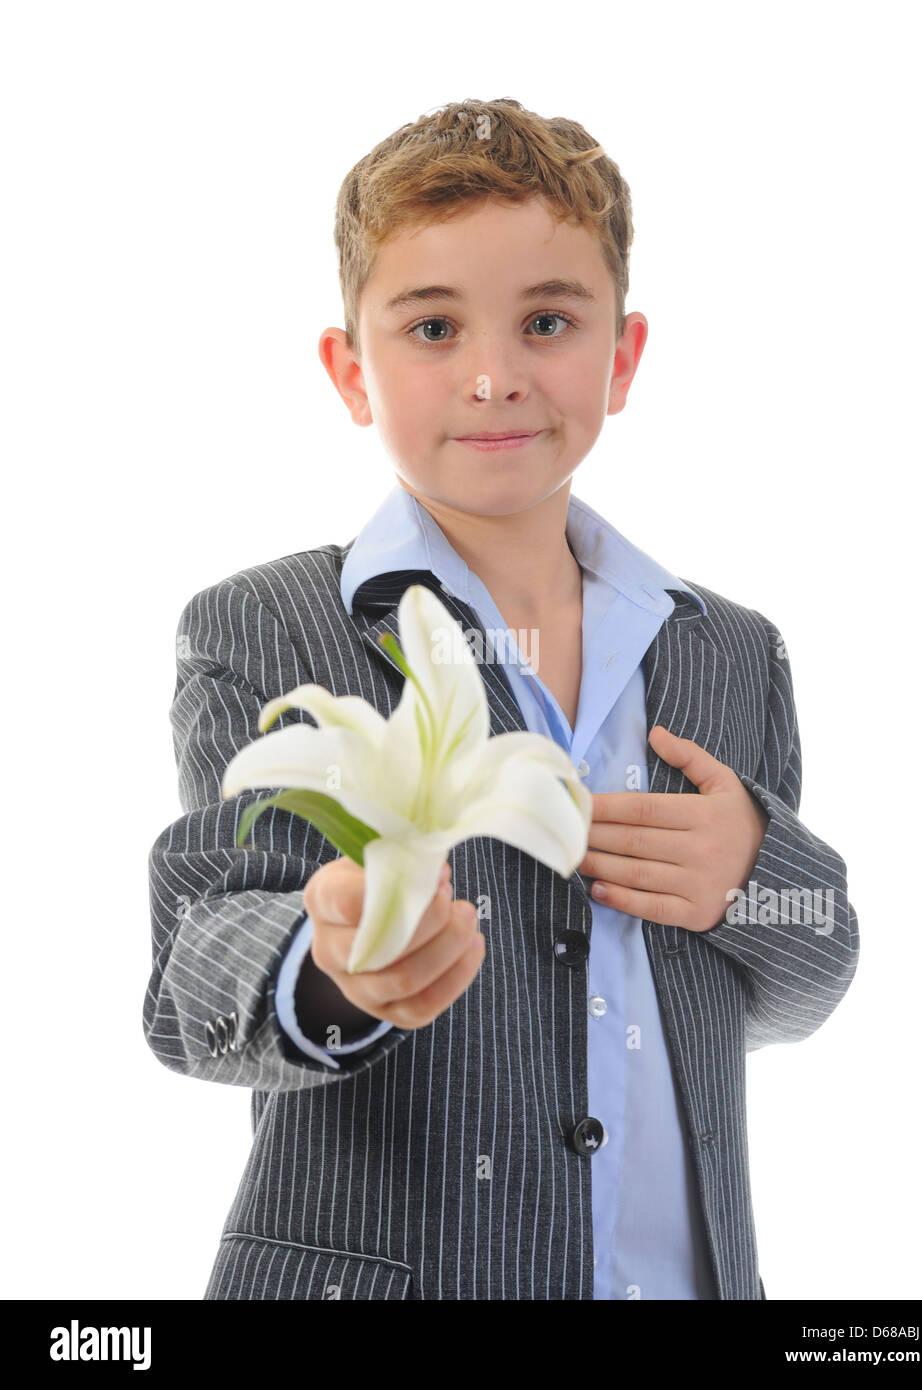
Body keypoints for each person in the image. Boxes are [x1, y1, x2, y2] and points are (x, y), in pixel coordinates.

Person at [144, 97, 859, 1301]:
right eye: (431, 327)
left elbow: (803, 985)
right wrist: (324, 963)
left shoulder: (732, 651)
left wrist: (753, 874)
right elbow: (191, 973)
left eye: (546, 322)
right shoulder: (263, 626)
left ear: (621, 356)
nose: (493, 377)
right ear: (350, 370)